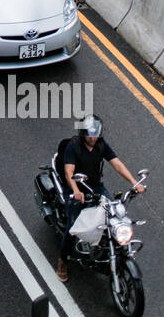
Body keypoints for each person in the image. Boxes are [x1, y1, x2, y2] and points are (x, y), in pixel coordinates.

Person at [56, 115, 145, 282]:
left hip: (96, 187)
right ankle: (62, 261)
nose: (93, 138)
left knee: (115, 215)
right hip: (76, 189)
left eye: (96, 135)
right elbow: (69, 172)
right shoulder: (73, 147)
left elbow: (117, 164)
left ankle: (112, 251)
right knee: (73, 227)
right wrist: (76, 190)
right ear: (83, 134)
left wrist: (134, 182)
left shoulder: (101, 145)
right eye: (90, 135)